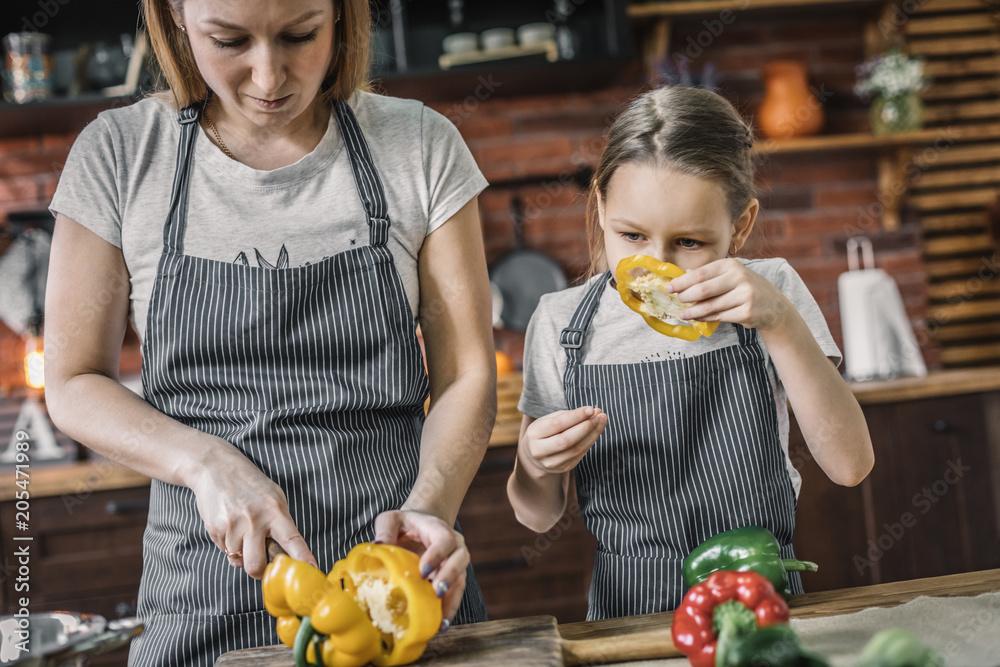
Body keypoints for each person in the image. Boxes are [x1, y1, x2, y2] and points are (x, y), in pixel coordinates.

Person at [43, 0, 496, 664]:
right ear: (175, 19)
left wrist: (431, 504)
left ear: (342, 16)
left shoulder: (419, 145)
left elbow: (466, 375)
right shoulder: (119, 155)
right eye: (229, 41)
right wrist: (204, 463)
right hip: (200, 591)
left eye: (299, 35)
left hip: (395, 590)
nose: (268, 76)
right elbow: (72, 381)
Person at [507, 86, 874, 620]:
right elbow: (536, 515)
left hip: (760, 601)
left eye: (689, 243)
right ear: (601, 206)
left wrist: (777, 320)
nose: (654, 264)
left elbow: (851, 466)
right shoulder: (560, 323)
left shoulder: (772, 292)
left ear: (740, 226)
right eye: (631, 235)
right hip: (626, 612)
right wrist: (534, 464)